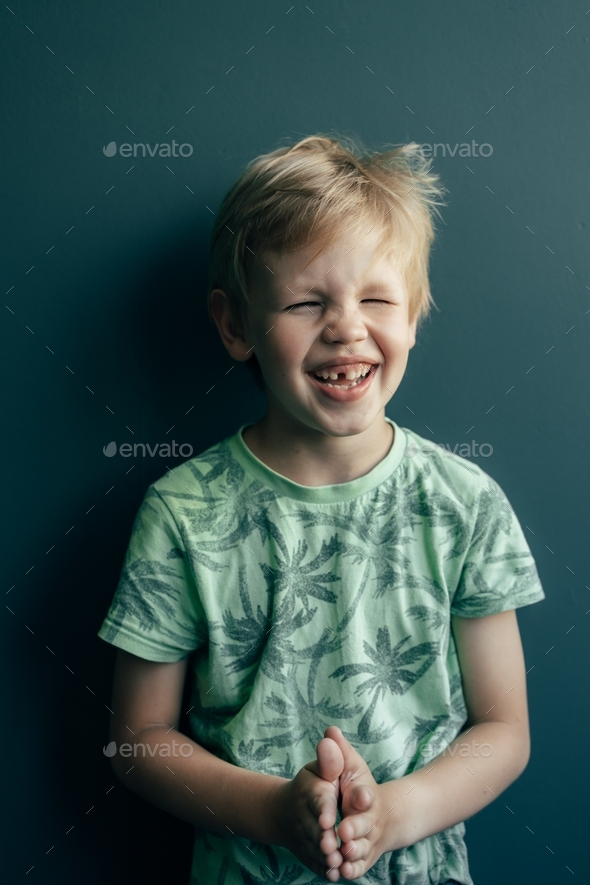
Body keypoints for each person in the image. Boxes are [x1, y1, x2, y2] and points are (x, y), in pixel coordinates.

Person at [97, 133, 545, 885]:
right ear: (236, 325)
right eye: (307, 301)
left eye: (375, 298)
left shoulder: (466, 503)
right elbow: (138, 738)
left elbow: (504, 730)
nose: (345, 325)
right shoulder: (180, 512)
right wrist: (275, 810)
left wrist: (394, 813)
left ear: (413, 316)